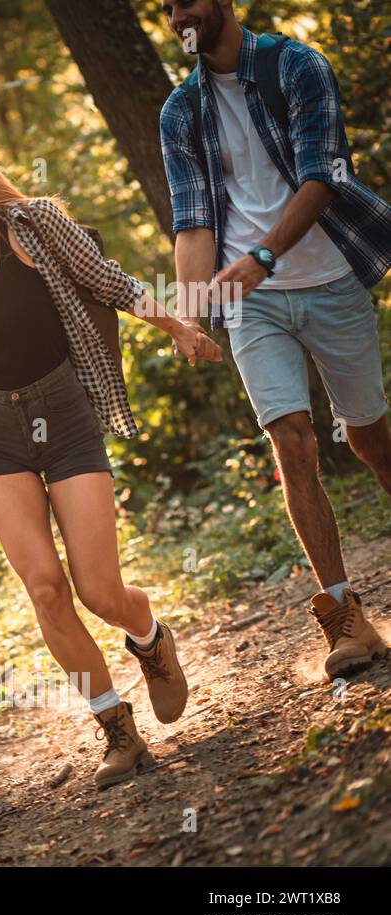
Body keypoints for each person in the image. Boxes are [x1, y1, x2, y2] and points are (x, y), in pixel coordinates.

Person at [0, 125, 223, 788]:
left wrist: (177, 323)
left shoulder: (35, 226)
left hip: (64, 411)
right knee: (47, 591)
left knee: (99, 589)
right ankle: (117, 728)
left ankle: (149, 637)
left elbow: (111, 283)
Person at [159, 0, 391, 679]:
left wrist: (263, 256)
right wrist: (190, 311)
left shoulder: (296, 66)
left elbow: (323, 175)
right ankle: (344, 616)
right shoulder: (180, 111)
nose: (180, 14)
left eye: (188, 0)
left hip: (327, 280)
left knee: (372, 439)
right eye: (168, 6)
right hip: (251, 305)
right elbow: (193, 220)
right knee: (291, 439)